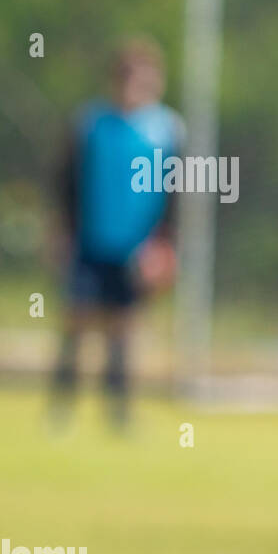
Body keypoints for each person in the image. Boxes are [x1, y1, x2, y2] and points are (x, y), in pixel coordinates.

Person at [50, 38, 182, 430]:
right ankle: (61, 409)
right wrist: (61, 231)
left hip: (137, 249)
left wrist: (163, 246)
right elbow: (66, 181)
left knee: (123, 331)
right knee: (76, 323)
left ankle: (119, 415)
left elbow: (174, 194)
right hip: (90, 242)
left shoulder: (167, 130)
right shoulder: (91, 123)